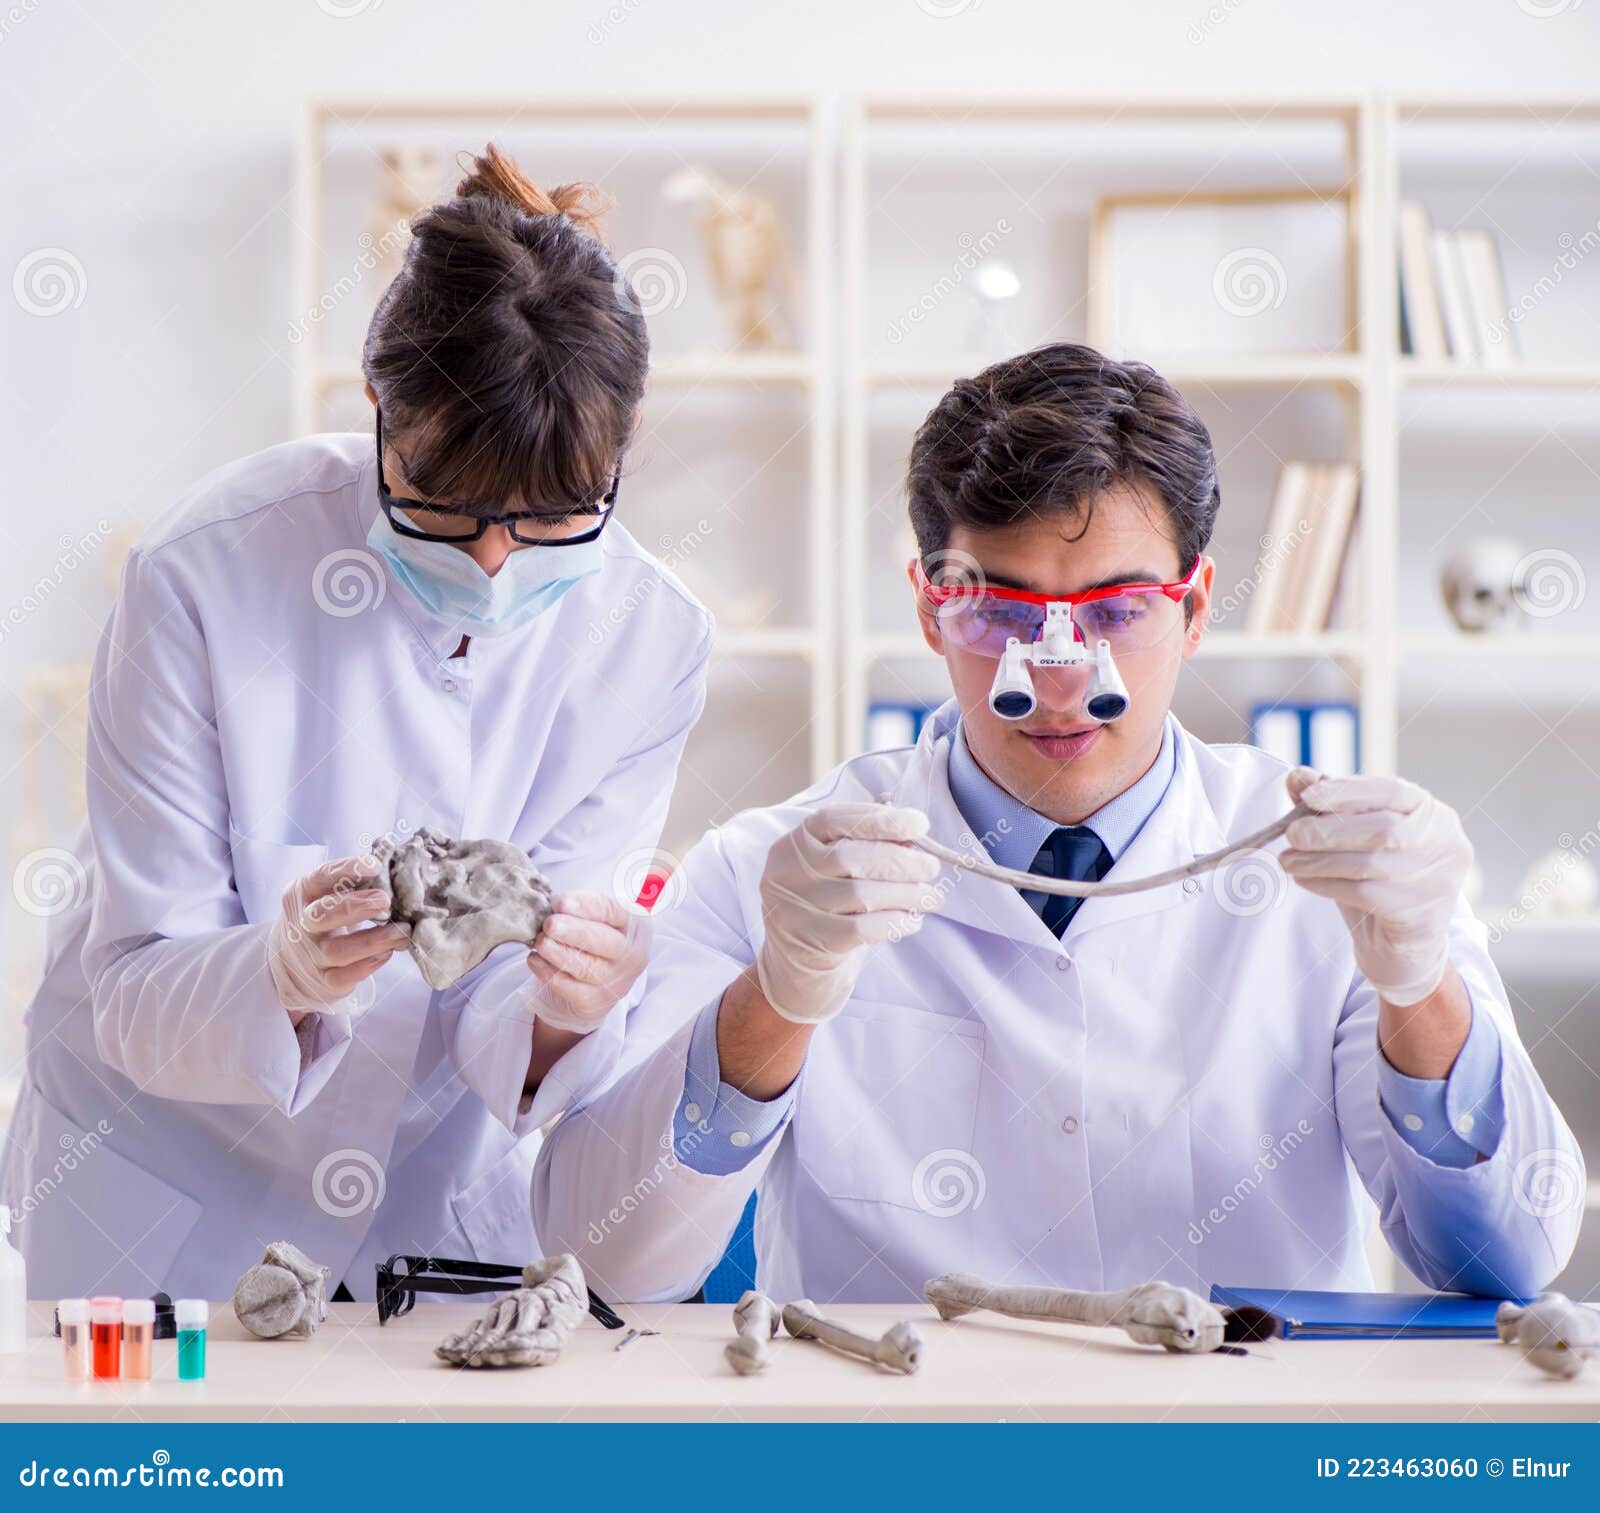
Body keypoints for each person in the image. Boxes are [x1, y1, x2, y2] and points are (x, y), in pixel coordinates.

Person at [533, 343, 1582, 1305]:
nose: (1064, 676)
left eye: (1121, 609)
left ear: (1197, 605)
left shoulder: (1342, 869)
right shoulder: (771, 872)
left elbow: (1510, 1261)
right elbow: (609, 1260)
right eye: (1000, 613)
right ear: (930, 606)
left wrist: (1418, 987)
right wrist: (777, 996)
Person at [1, 147, 712, 1299]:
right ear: (378, 405)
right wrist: (277, 971)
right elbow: (133, 990)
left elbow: (505, 1002)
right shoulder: (207, 570)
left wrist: (568, 1004)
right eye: (441, 506)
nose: (493, 561)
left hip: (419, 1207)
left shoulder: (651, 641)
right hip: (160, 1193)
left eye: (551, 520)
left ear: (621, 445)